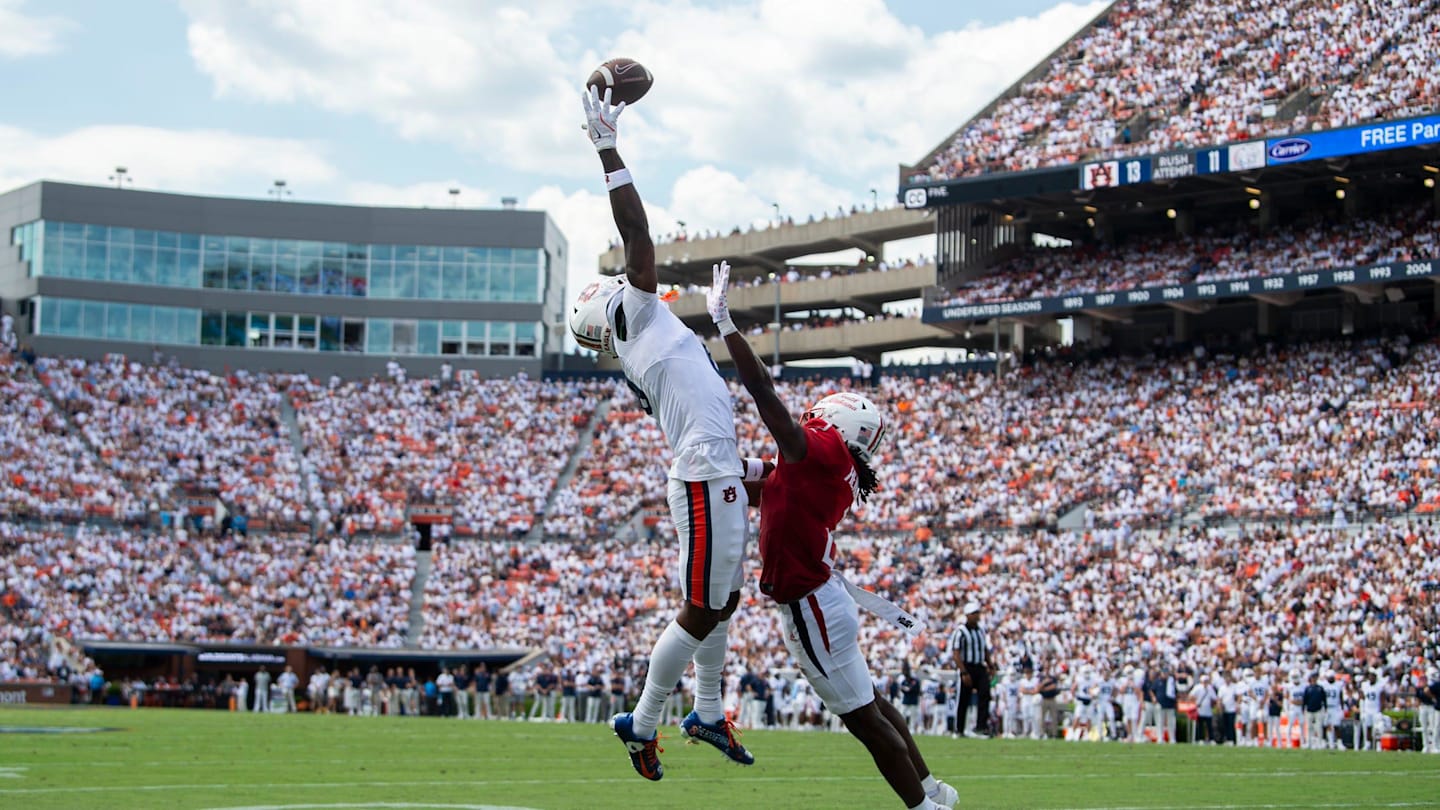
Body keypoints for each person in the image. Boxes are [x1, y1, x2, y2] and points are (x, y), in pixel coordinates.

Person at [708, 259, 956, 810]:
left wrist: (727, 326)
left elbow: (766, 396)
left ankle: (925, 808)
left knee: (864, 719)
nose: (809, 417)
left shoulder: (822, 450)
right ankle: (934, 790)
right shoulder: (829, 466)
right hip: (823, 596)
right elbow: (765, 484)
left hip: (810, 603)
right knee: (873, 706)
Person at [574, 86, 753, 782]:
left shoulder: (641, 337)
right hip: (705, 473)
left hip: (715, 468)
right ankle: (643, 720)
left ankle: (705, 708)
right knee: (703, 605)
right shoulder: (640, 318)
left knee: (724, 600)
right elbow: (638, 236)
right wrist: (608, 149)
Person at [951, 601, 994, 739]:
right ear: (968, 615)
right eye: (974, 613)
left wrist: (990, 665)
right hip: (967, 666)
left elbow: (984, 649)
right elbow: (956, 653)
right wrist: (963, 672)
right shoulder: (960, 631)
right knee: (963, 698)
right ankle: (959, 729)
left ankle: (981, 728)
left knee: (985, 694)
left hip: (979, 666)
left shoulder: (980, 630)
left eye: (978, 613)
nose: (977, 616)